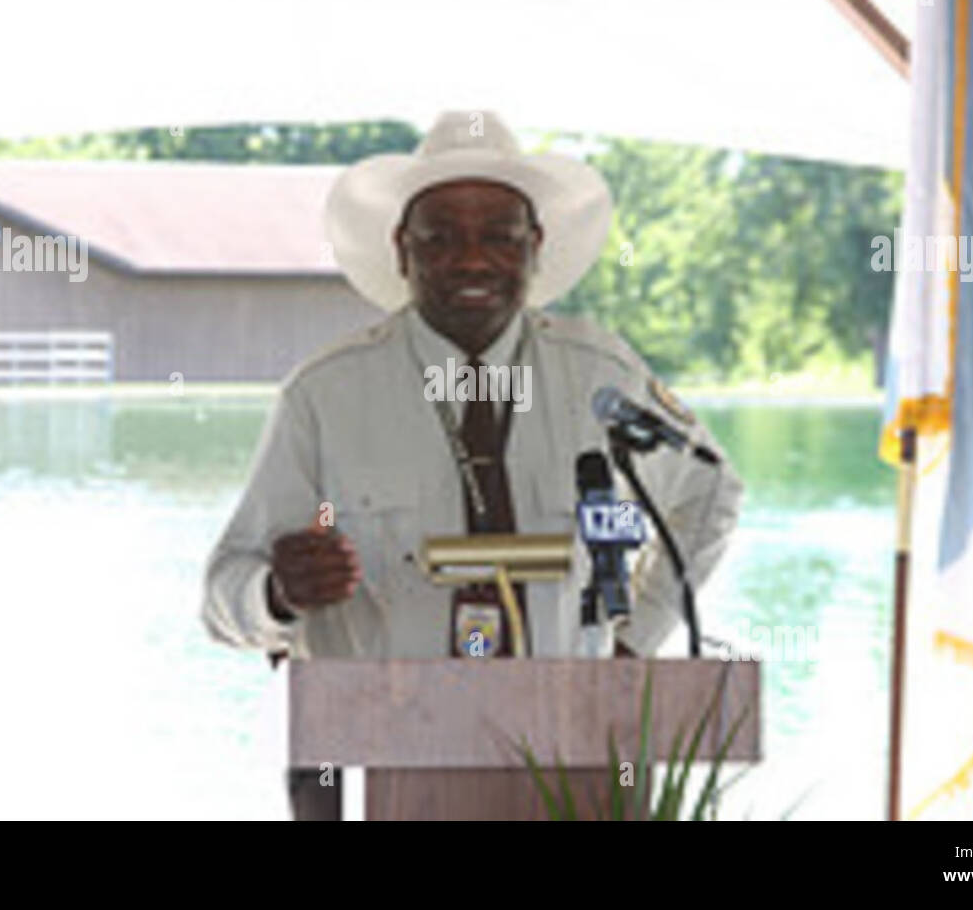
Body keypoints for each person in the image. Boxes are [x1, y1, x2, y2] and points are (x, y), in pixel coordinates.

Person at [202, 110, 743, 816]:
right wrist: (277, 592)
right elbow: (222, 597)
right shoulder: (326, 395)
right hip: (376, 764)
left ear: (534, 246)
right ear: (402, 250)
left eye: (498, 236)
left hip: (566, 763)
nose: (472, 260)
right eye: (440, 238)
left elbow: (709, 493)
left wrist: (633, 646)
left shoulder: (600, 377)